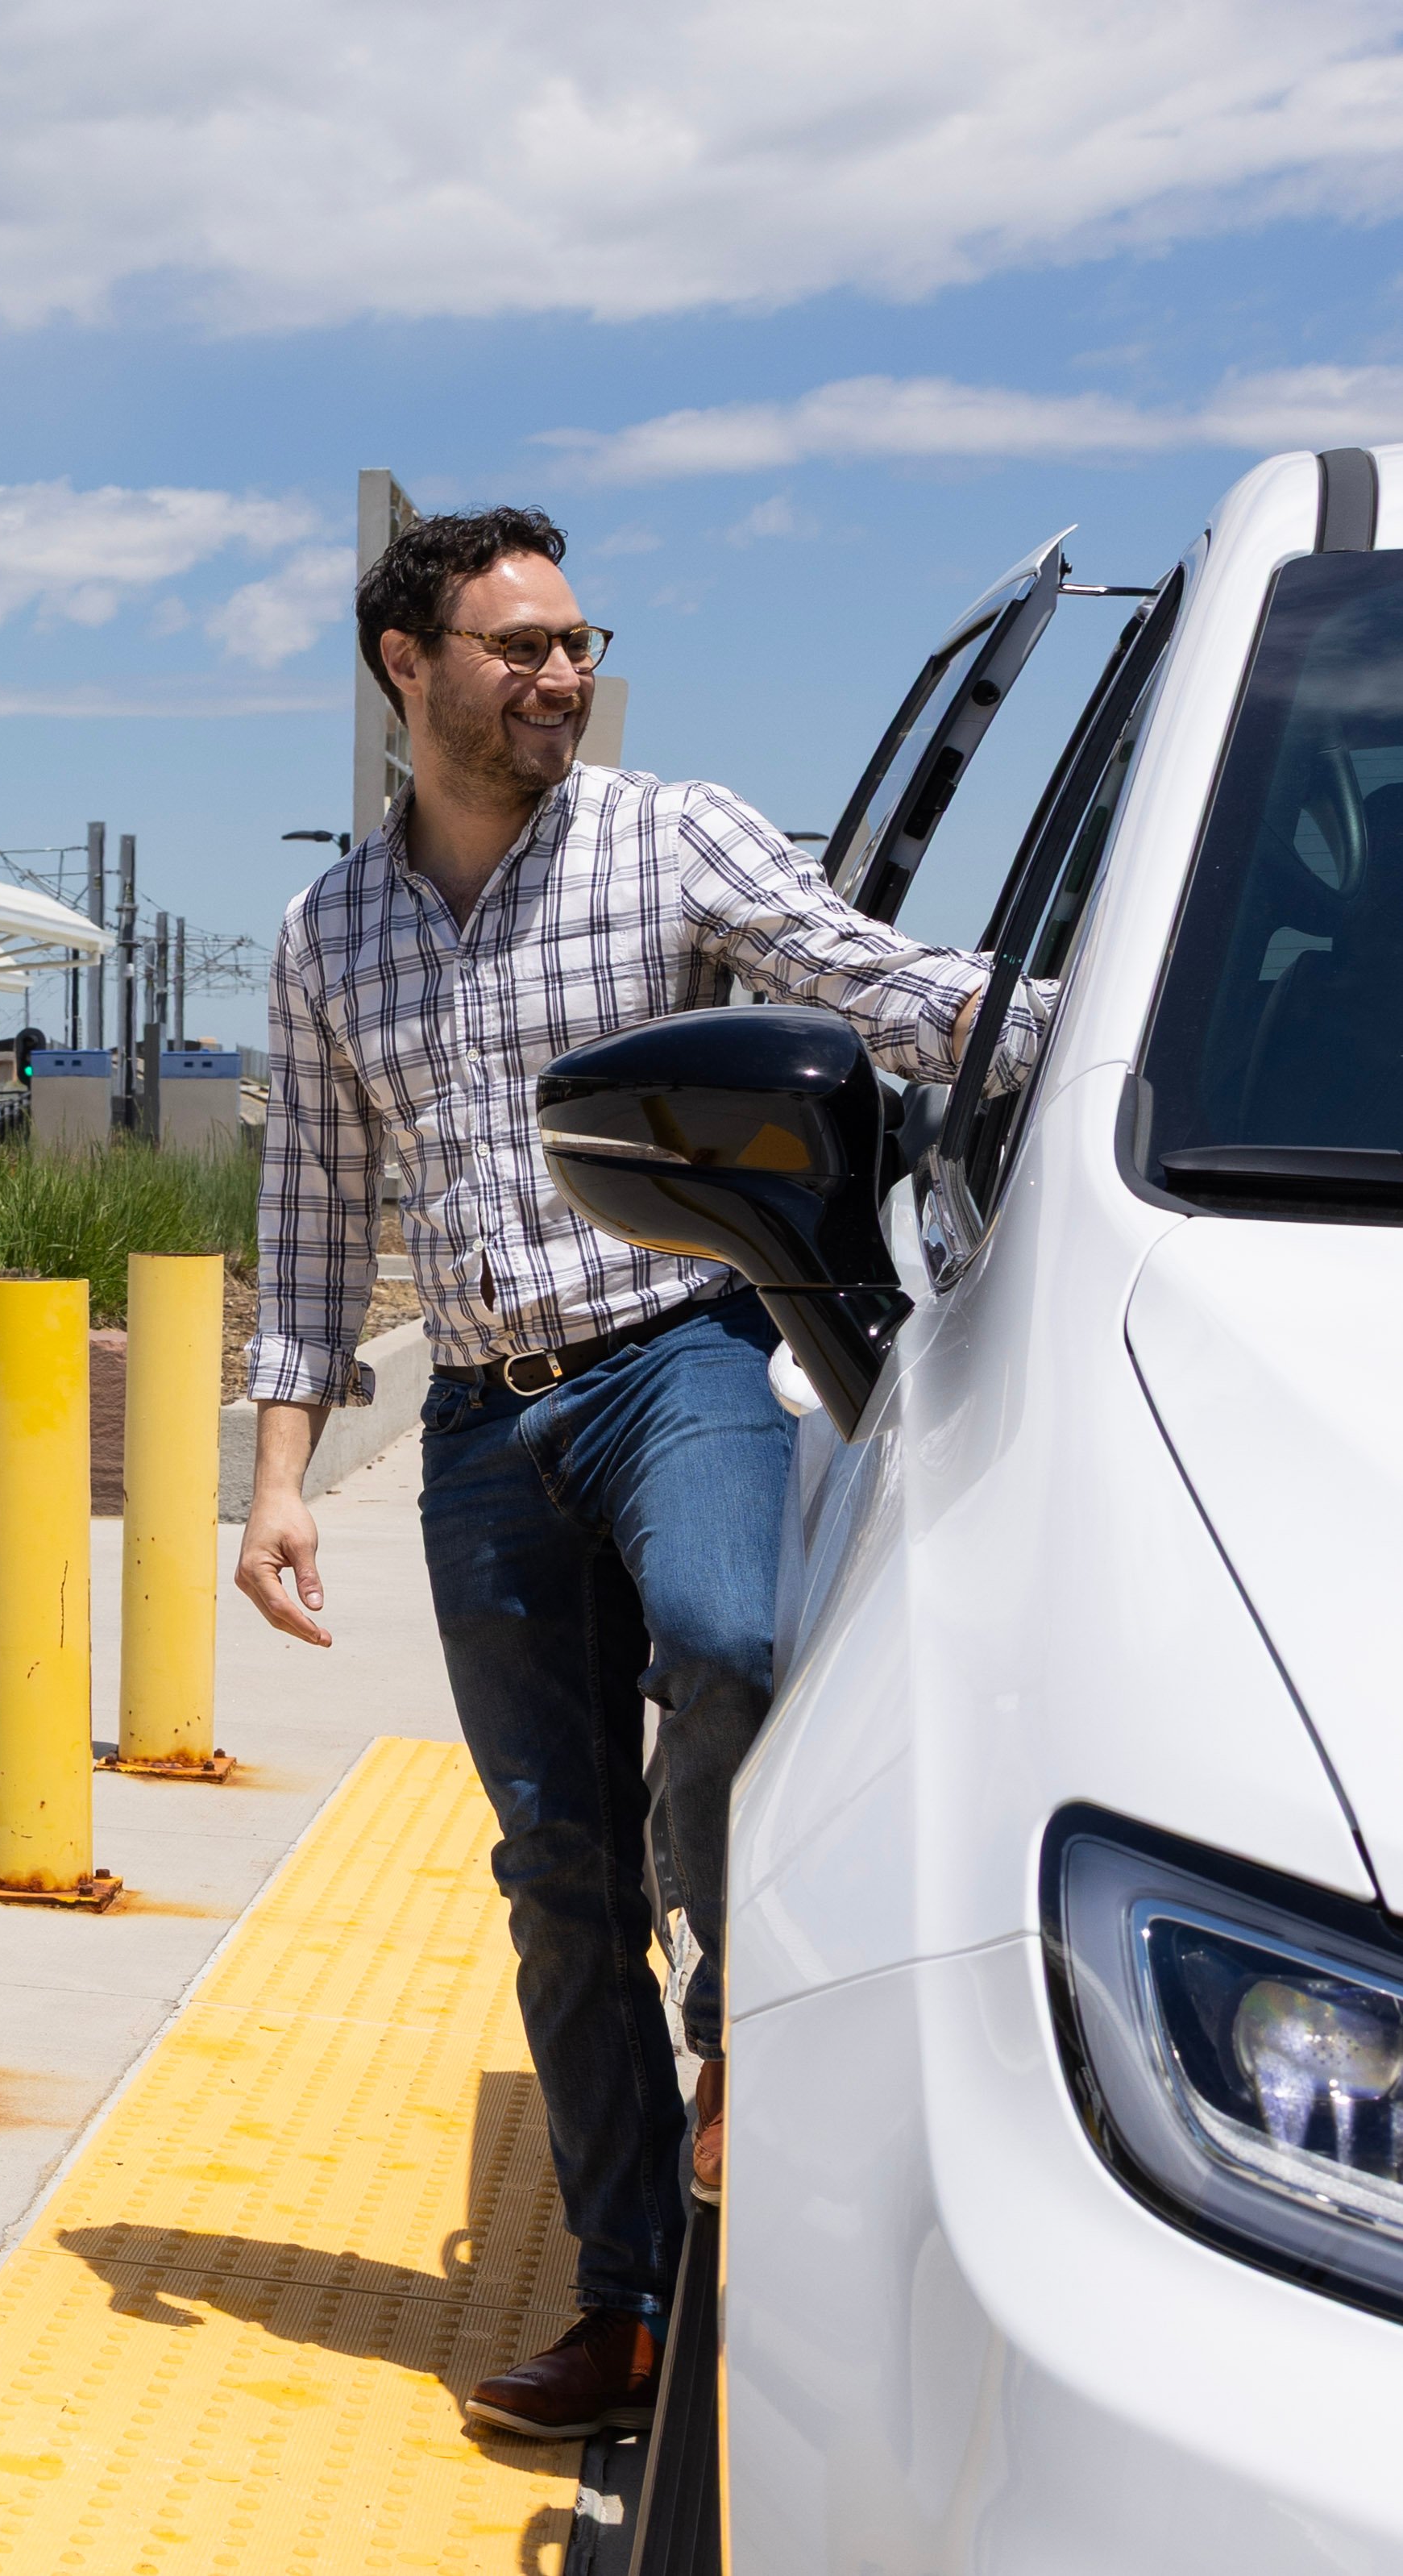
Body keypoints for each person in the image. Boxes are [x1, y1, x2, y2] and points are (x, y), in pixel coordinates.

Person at [235, 505, 1042, 2444]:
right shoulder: (328, 933)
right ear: (404, 672)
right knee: (559, 1877)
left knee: (731, 1635)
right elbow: (314, 1222)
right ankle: (632, 2310)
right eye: (516, 647)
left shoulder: (668, 832)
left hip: (675, 1349)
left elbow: (871, 978)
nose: (562, 675)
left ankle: (737, 2022)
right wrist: (273, 1481)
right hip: (481, 1425)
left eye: (577, 640)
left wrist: (1083, 1053)